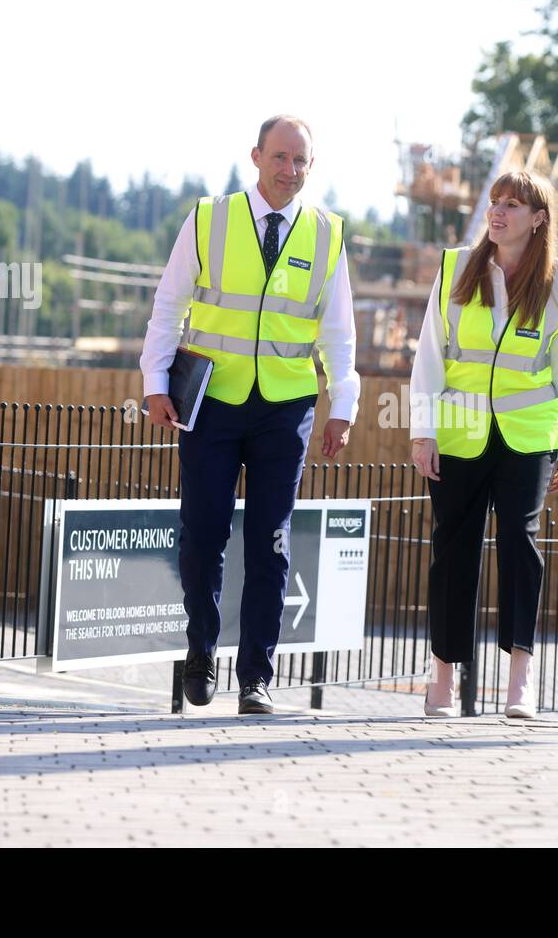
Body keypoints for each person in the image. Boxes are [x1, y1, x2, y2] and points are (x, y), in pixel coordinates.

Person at [141, 115, 359, 714]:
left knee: (271, 541)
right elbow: (169, 304)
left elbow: (339, 332)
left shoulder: (327, 235)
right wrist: (155, 380)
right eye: (281, 157)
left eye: (301, 162)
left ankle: (256, 677)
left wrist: (344, 403)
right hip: (211, 402)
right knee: (203, 534)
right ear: (257, 156)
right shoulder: (209, 219)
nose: (290, 171)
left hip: (285, 408)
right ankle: (201, 649)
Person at [409, 170, 558, 718]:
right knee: (452, 550)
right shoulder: (456, 268)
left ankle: (519, 681)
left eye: (512, 204)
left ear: (538, 219)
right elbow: (430, 354)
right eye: (494, 202)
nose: (498, 212)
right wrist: (422, 429)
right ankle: (443, 676)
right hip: (459, 431)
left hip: (528, 435)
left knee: (519, 545)